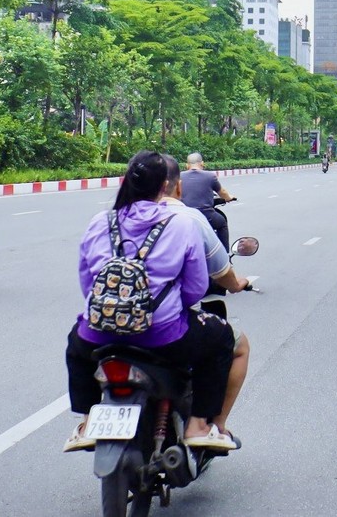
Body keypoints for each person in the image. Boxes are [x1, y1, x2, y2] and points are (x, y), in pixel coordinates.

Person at [63, 152, 240, 454]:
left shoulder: (99, 222)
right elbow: (196, 288)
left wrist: (110, 311)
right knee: (222, 338)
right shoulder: (181, 223)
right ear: (168, 186)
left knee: (75, 343)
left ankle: (88, 419)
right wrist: (171, 309)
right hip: (165, 335)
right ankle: (199, 424)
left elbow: (87, 283)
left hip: (99, 333)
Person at [162, 156, 254, 442]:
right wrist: (235, 282)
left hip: (107, 324)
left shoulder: (112, 219)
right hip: (167, 325)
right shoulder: (188, 219)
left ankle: (87, 421)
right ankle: (208, 425)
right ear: (177, 188)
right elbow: (215, 274)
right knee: (230, 343)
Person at [177, 152, 236, 248]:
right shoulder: (210, 176)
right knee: (222, 224)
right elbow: (223, 192)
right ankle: (226, 254)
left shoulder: (179, 176)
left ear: (187, 165)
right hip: (207, 216)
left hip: (185, 216)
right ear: (202, 163)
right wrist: (229, 198)